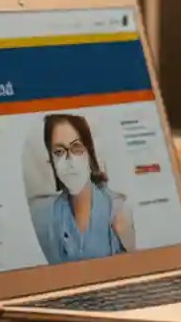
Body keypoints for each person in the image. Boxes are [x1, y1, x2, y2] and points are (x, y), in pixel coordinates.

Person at [37, 113, 134, 263]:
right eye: (59, 152)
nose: (69, 160)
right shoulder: (54, 215)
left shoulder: (117, 210)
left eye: (76, 148)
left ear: (89, 152)